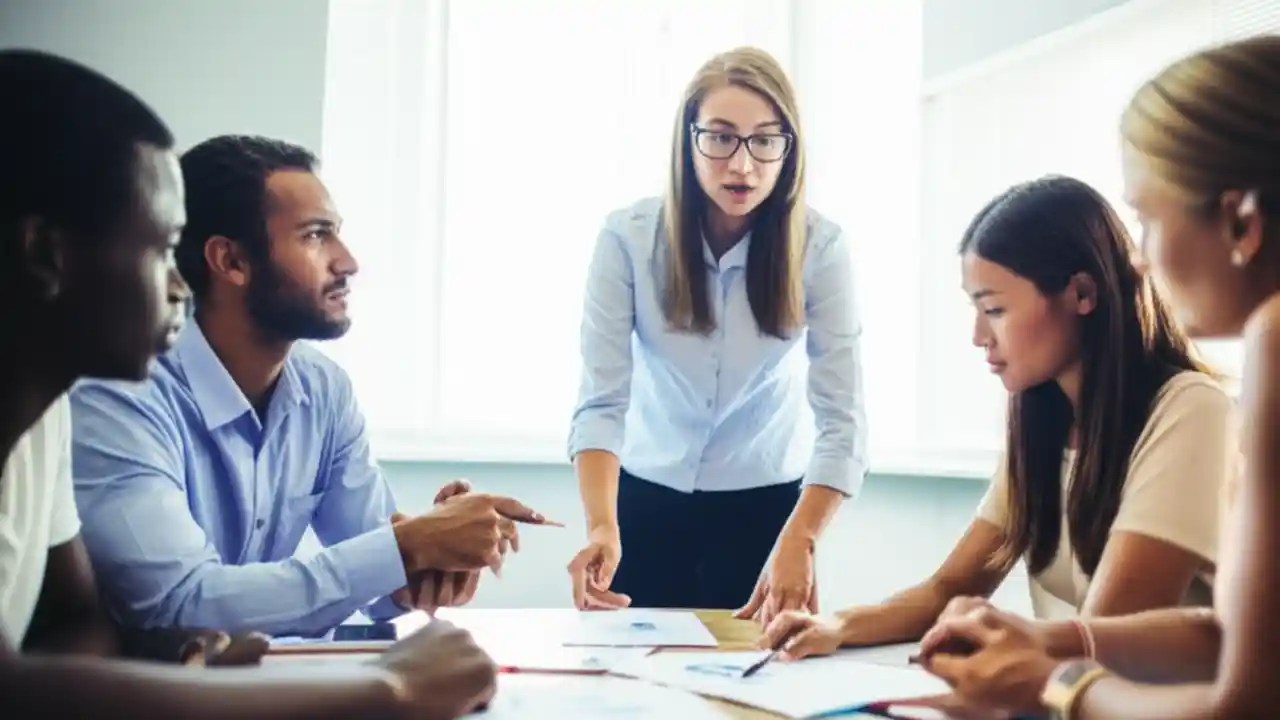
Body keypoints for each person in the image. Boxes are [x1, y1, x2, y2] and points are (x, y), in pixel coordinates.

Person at [0, 48, 494, 719]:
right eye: (157, 248)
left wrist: (432, 552)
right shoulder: (108, 393)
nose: (177, 285)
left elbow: (71, 631)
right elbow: (165, 608)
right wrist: (388, 670)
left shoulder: (47, 417)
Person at [914, 35, 1280, 719]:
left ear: (1243, 222)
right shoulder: (1040, 414)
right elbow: (1231, 637)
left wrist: (1055, 682)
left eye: (1146, 219)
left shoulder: (1269, 343)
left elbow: (1248, 701)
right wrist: (1049, 637)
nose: (1138, 260)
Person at [69, 133, 551, 637]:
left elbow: (382, 570)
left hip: (259, 686)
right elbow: (179, 607)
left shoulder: (324, 390)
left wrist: (432, 562)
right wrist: (408, 546)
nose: (348, 262)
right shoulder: (120, 394)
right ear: (230, 261)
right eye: (316, 236)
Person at [759, 176, 1234, 661]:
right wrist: (835, 625)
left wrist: (999, 644)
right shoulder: (1043, 419)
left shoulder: (1191, 409)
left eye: (995, 308)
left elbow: (1106, 634)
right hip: (1071, 699)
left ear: (1082, 294)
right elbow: (950, 586)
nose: (978, 335)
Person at [565, 46, 868, 619]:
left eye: (766, 140)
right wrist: (601, 526)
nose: (743, 165)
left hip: (768, 513)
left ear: (789, 149)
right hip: (642, 504)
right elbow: (602, 401)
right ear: (689, 139)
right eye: (722, 137)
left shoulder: (822, 248)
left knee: (749, 693)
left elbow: (843, 419)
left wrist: (801, 540)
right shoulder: (628, 239)